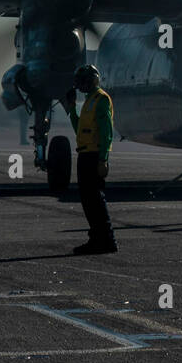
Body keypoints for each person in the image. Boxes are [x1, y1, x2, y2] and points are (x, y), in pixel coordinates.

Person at [63, 65, 117, 254]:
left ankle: (107, 240)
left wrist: (103, 159)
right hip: (84, 154)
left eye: (82, 81)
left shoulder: (100, 99)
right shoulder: (88, 102)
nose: (79, 86)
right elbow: (80, 129)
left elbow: (106, 132)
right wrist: (71, 109)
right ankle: (97, 238)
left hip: (94, 156)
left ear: (91, 80)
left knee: (95, 200)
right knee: (88, 200)